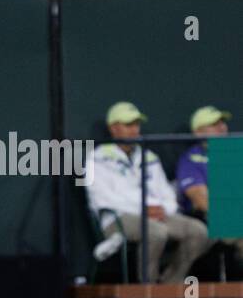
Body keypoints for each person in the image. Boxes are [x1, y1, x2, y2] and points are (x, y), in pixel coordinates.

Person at [84, 101, 208, 284]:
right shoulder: (96, 158)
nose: (134, 130)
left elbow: (167, 193)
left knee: (198, 232)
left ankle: (171, 282)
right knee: (156, 232)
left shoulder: (149, 157)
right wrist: (144, 209)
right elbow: (102, 199)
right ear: (114, 128)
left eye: (136, 124)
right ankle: (147, 286)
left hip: (156, 214)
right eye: (128, 125)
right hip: (117, 218)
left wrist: (163, 208)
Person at [175, 105, 243, 276]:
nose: (222, 128)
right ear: (199, 132)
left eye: (222, 123)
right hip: (210, 217)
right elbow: (201, 201)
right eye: (214, 124)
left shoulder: (233, 153)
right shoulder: (191, 159)